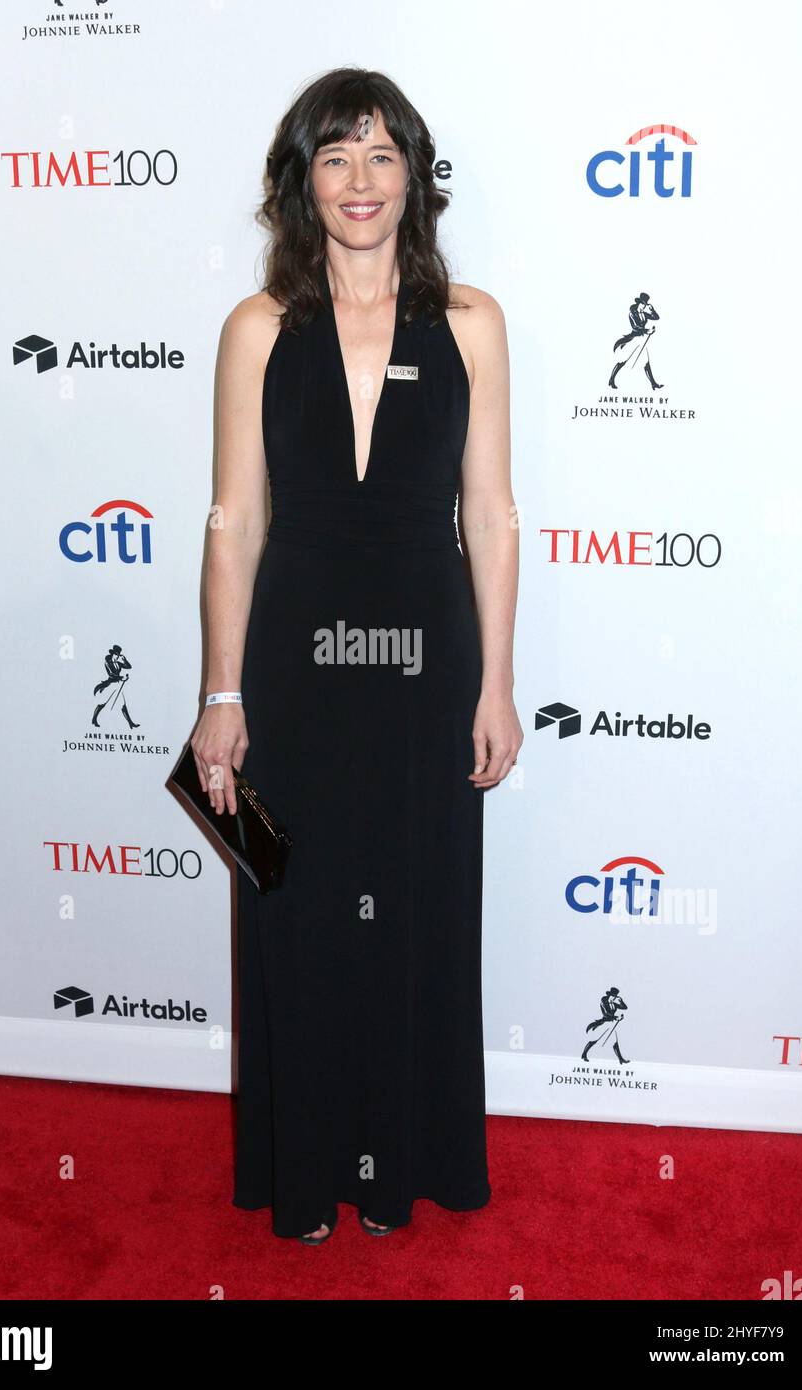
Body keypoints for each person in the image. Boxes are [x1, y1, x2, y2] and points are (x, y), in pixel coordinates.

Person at [192, 68, 521, 1243]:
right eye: (336, 156)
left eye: (382, 156)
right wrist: (221, 693)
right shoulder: (259, 328)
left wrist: (497, 682)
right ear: (303, 179)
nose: (360, 181)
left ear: (413, 176)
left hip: (431, 663)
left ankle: (399, 1165)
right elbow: (236, 520)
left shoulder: (470, 320)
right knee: (302, 912)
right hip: (294, 666)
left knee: (418, 908)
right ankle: (310, 1165)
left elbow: (490, 512)